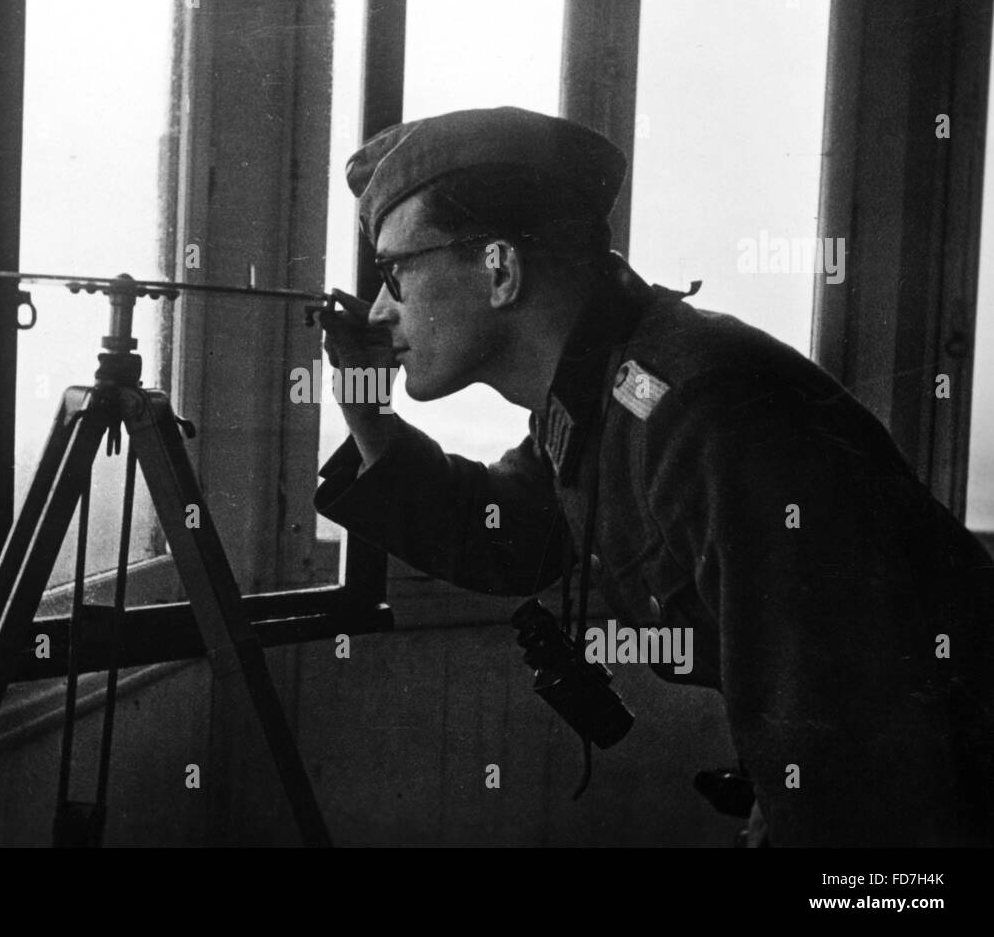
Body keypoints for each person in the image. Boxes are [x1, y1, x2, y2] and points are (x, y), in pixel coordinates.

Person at [314, 105, 994, 847]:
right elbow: (511, 537)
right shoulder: (609, 389)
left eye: (393, 273)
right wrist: (366, 410)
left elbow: (849, 744)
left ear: (499, 269)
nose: (379, 311)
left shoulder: (698, 410)